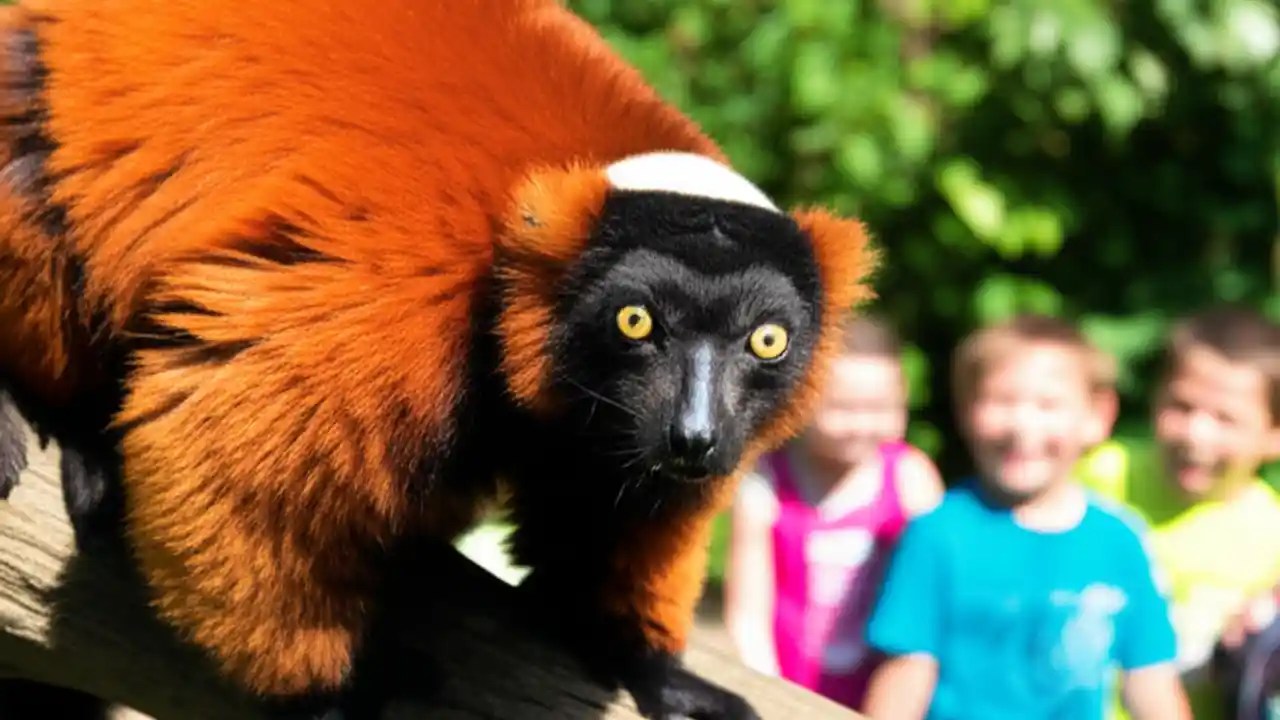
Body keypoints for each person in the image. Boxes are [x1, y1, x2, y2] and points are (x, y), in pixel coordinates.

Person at [862, 313, 1191, 720]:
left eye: (1048, 405)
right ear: (966, 409)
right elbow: (906, 675)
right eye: (1001, 401)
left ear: (1098, 417)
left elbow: (1152, 682)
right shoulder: (937, 534)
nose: (1022, 425)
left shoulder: (1120, 540)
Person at [722, 313, 944, 710]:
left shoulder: (911, 479)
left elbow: (932, 604)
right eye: (843, 408)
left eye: (880, 408)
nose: (861, 425)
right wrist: (770, 698)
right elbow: (747, 615)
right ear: (799, 396)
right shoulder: (766, 482)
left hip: (885, 694)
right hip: (788, 684)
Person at [1079, 305, 1280, 719]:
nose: (1196, 434)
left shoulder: (1272, 534)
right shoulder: (1098, 475)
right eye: (1182, 406)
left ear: (1274, 436)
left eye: (1226, 419)